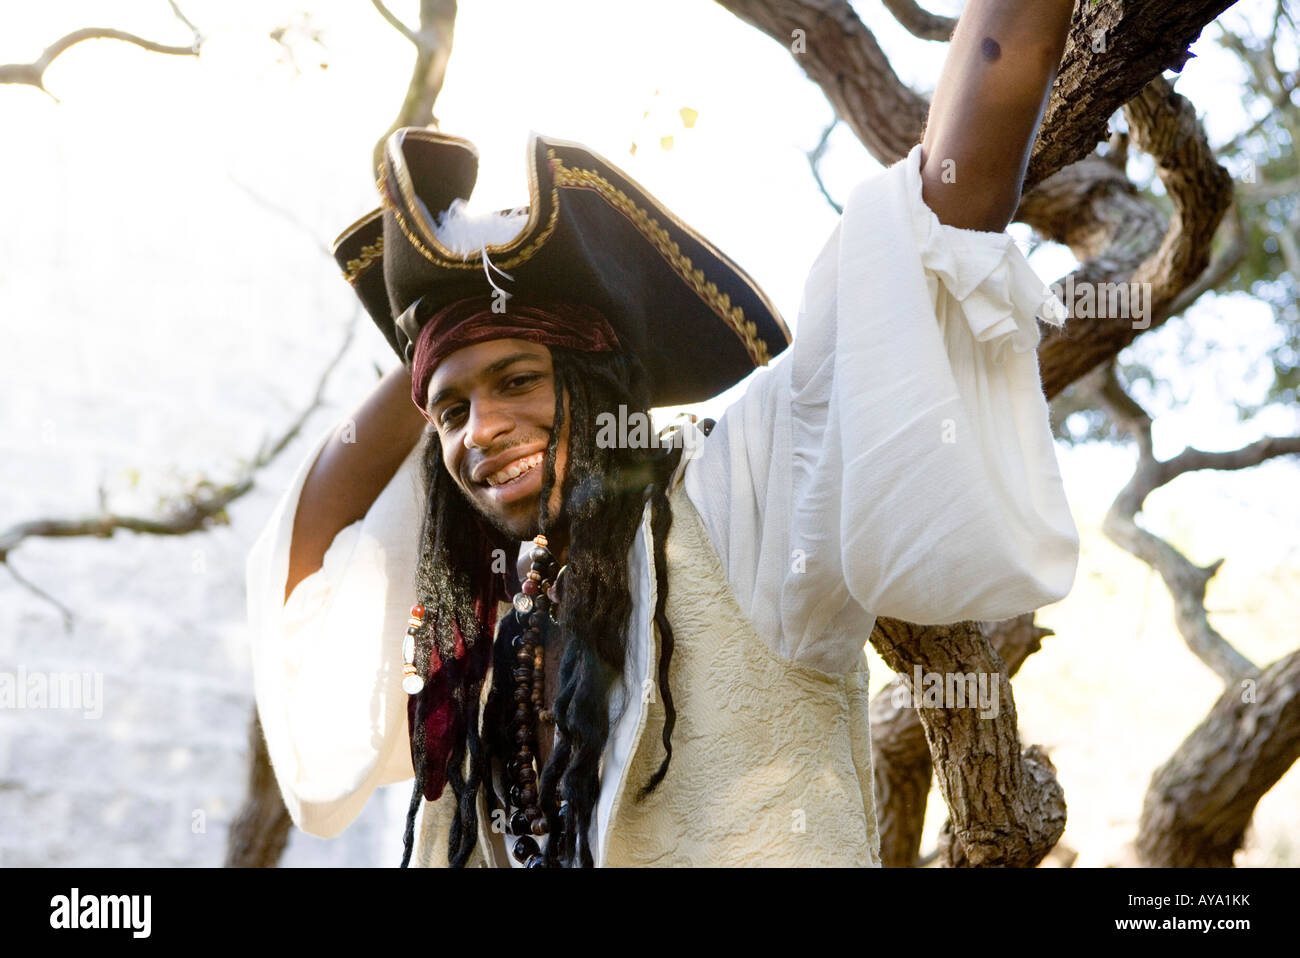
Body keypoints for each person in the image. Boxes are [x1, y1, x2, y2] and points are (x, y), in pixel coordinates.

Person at [245, 0, 1081, 867]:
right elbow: (301, 576)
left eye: (519, 380)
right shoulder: (485, 621)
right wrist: (448, 300)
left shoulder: (739, 493)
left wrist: (473, 299)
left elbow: (941, 214)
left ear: (603, 379)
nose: (479, 431)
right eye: (450, 413)